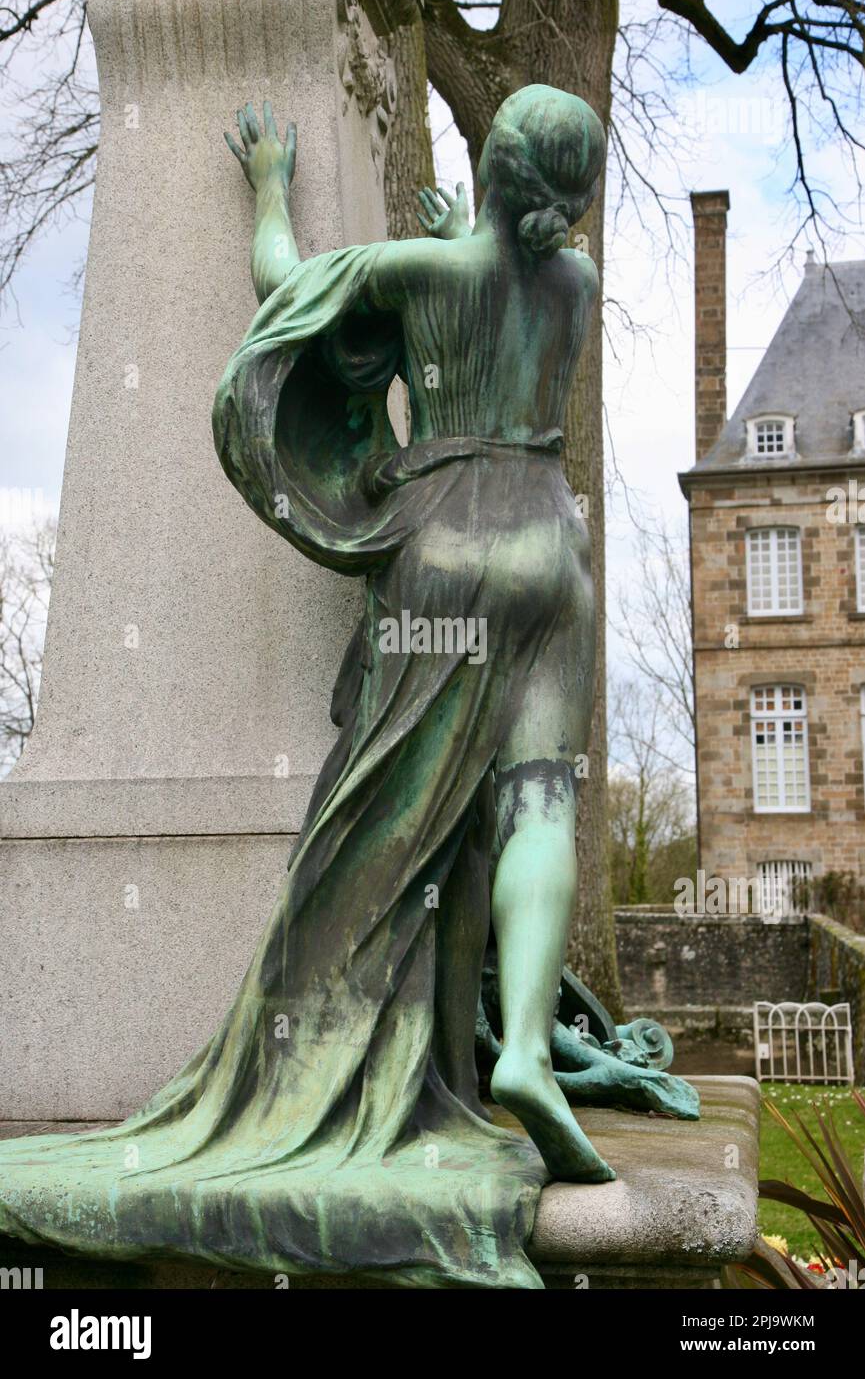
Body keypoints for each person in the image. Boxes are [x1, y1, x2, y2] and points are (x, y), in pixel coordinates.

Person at [0, 86, 614, 1290]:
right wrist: (471, 228)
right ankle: (528, 1047)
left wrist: (274, 184)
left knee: (377, 825)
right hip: (554, 552)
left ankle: (369, 1045)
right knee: (537, 798)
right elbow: (512, 263)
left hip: (448, 555)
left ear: (485, 175)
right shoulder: (574, 288)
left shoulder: (416, 272)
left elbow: (286, 283)